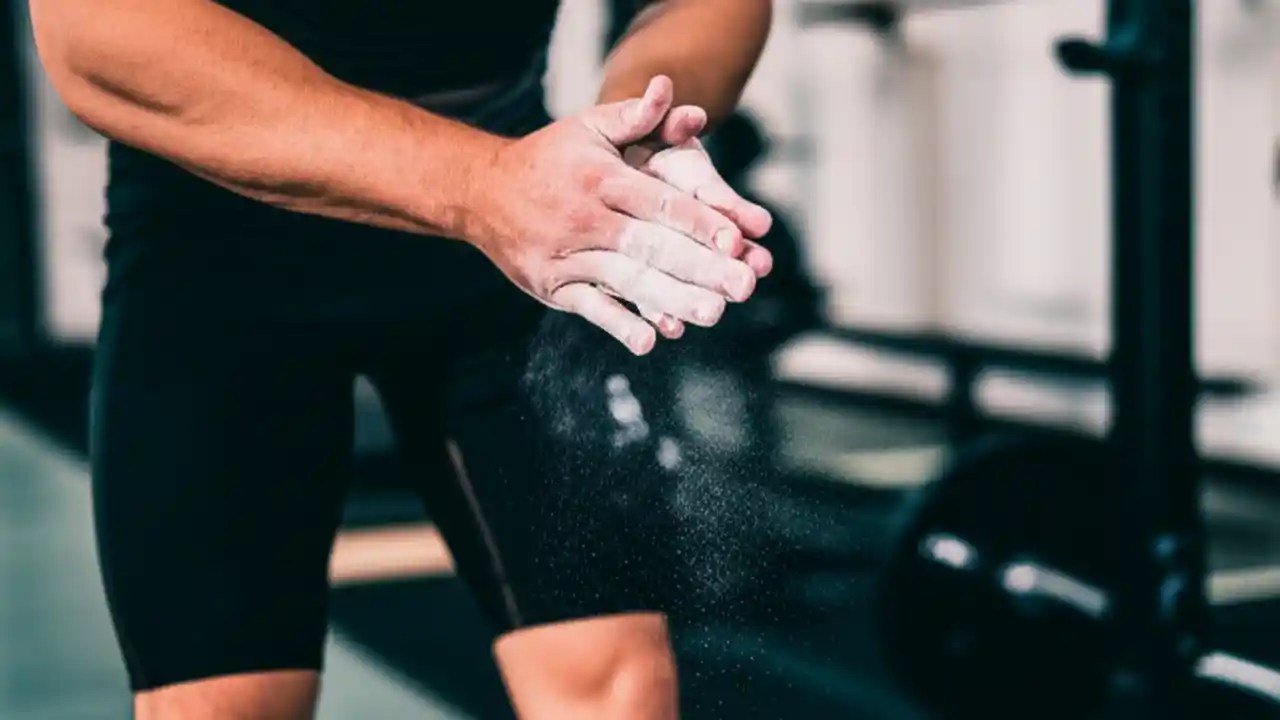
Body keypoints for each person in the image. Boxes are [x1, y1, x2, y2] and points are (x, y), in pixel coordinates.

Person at [30, 0, 775, 717]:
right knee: (223, 704)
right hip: (221, 245)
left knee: (617, 692)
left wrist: (634, 134)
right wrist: (482, 184)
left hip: (510, 234)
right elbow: (91, 27)